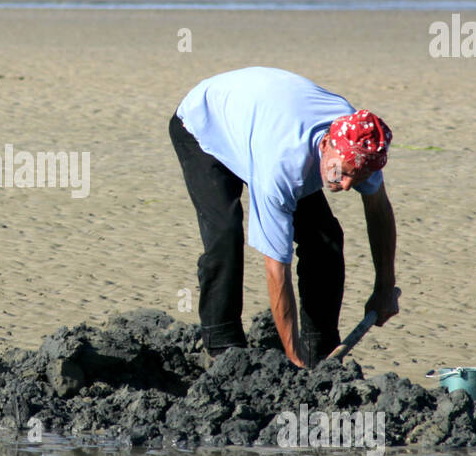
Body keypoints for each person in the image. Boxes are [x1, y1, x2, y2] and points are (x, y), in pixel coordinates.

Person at [170, 67, 399, 368]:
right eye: (339, 172)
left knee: (326, 239)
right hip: (204, 124)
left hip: (262, 121)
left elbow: (379, 211)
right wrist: (293, 362)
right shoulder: (283, 166)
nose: (343, 185)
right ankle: (223, 346)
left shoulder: (361, 146)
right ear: (327, 143)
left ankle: (322, 348)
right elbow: (277, 268)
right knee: (225, 234)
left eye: (355, 178)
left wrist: (384, 287)